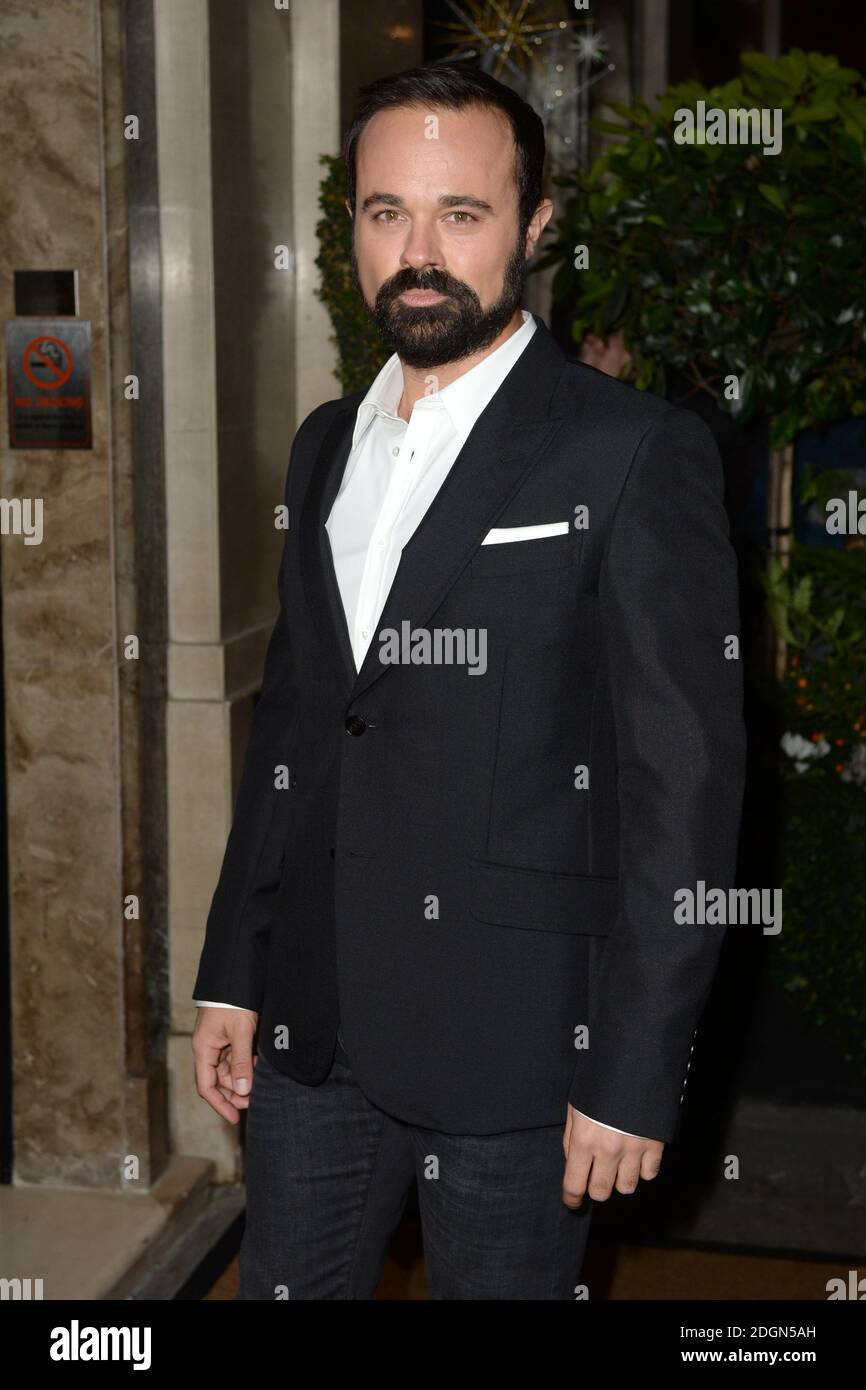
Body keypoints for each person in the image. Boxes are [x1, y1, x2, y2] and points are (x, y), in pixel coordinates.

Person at [192, 63, 746, 1300]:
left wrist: (629, 1069)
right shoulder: (327, 441)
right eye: (387, 212)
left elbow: (685, 790)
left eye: (461, 213)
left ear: (534, 224)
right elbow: (294, 719)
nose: (418, 251)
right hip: (313, 1031)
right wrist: (236, 966)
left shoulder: (629, 448)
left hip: (521, 1048)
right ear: (351, 233)